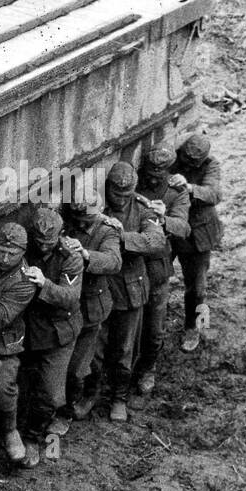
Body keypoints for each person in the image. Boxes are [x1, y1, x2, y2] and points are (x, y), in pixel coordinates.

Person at [94, 162, 166, 422]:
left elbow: (156, 241)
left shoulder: (143, 210)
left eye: (127, 194)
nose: (121, 199)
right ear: (108, 188)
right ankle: (91, 394)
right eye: (116, 193)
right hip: (102, 288)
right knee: (96, 348)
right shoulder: (98, 207)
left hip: (131, 290)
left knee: (124, 349)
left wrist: (122, 237)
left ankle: (119, 397)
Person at [17, 208, 84, 464]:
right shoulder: (27, 248)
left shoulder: (70, 257)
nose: (43, 247)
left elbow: (69, 298)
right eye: (39, 241)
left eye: (49, 242)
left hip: (60, 331)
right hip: (31, 328)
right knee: (23, 386)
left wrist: (44, 283)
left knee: (49, 393)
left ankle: (33, 438)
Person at [61, 188, 122, 424]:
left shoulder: (107, 231)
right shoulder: (71, 223)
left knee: (81, 364)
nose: (83, 224)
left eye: (87, 220)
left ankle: (87, 396)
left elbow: (113, 261)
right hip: (69, 305)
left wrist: (86, 254)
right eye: (79, 220)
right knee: (77, 361)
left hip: (91, 306)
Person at [0, 223, 38, 463]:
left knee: (4, 388)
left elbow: (1, 317)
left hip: (3, 342)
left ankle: (10, 429)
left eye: (11, 254)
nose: (4, 258)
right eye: (1, 251)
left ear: (22, 253)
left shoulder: (25, 281)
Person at [133, 146, 190, 394]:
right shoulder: (135, 184)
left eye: (160, 172)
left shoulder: (176, 193)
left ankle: (148, 368)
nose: (154, 177)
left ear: (169, 171)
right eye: (151, 171)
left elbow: (183, 228)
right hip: (133, 266)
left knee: (154, 327)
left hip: (157, 268)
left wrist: (164, 217)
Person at [170, 134, 223, 352]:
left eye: (193, 162)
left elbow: (214, 194)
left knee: (198, 288)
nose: (188, 163)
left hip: (198, 234)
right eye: (185, 158)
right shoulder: (174, 158)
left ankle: (197, 327)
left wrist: (190, 187)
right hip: (172, 227)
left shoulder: (212, 165)